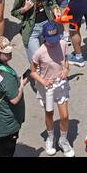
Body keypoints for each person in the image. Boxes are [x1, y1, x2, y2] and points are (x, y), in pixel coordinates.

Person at [29, 22, 73, 156]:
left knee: (64, 116)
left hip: (60, 84)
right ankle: (50, 138)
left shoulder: (63, 44)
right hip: (46, 87)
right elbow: (32, 72)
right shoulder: (40, 52)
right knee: (49, 113)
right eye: (50, 40)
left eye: (55, 39)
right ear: (44, 37)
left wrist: (66, 69)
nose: (53, 43)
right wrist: (43, 81)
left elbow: (66, 61)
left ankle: (63, 141)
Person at [13, 0, 57, 65]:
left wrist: (55, 8)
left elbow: (52, 0)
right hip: (32, 29)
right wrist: (24, 9)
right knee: (36, 61)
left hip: (48, 25)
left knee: (51, 58)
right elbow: (14, 12)